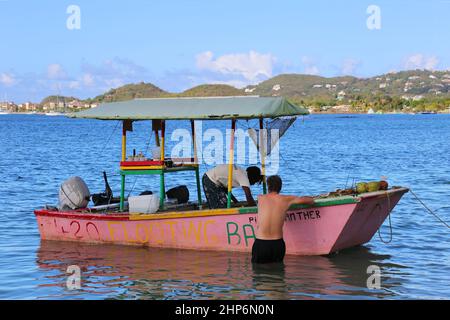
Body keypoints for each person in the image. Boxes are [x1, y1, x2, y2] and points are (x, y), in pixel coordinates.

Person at [252, 175, 315, 264]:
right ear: (280, 187)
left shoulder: (260, 198)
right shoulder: (287, 199)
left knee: (258, 274)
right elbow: (310, 201)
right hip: (277, 244)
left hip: (261, 243)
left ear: (268, 186)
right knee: (278, 274)